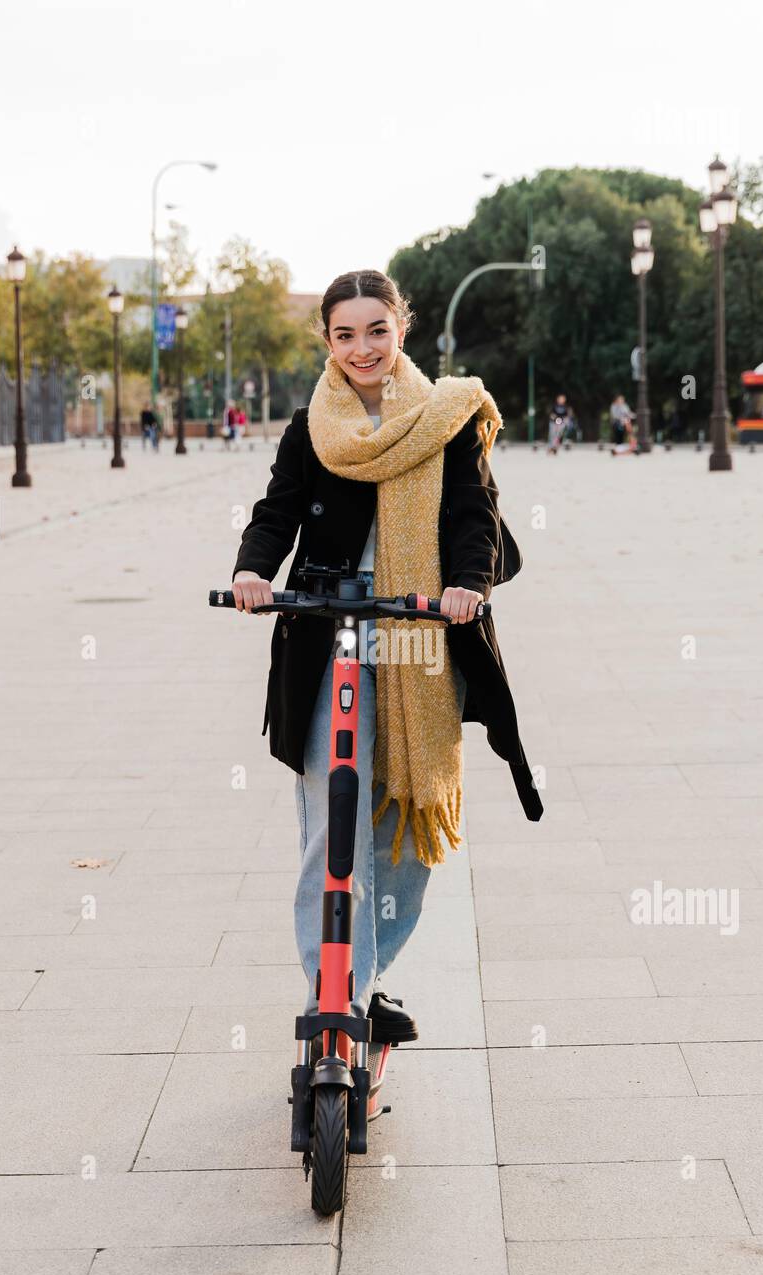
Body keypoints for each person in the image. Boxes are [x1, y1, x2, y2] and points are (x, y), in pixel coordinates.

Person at [230, 268, 543, 1043]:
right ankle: (331, 994)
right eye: (345, 333)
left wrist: (468, 583)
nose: (362, 347)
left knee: (404, 819)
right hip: (325, 626)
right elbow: (276, 513)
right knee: (332, 819)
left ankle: (363, 983)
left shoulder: (448, 417)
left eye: (377, 329)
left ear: (401, 327)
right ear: (328, 341)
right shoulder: (312, 428)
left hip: (415, 631)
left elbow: (475, 515)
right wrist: (250, 571)